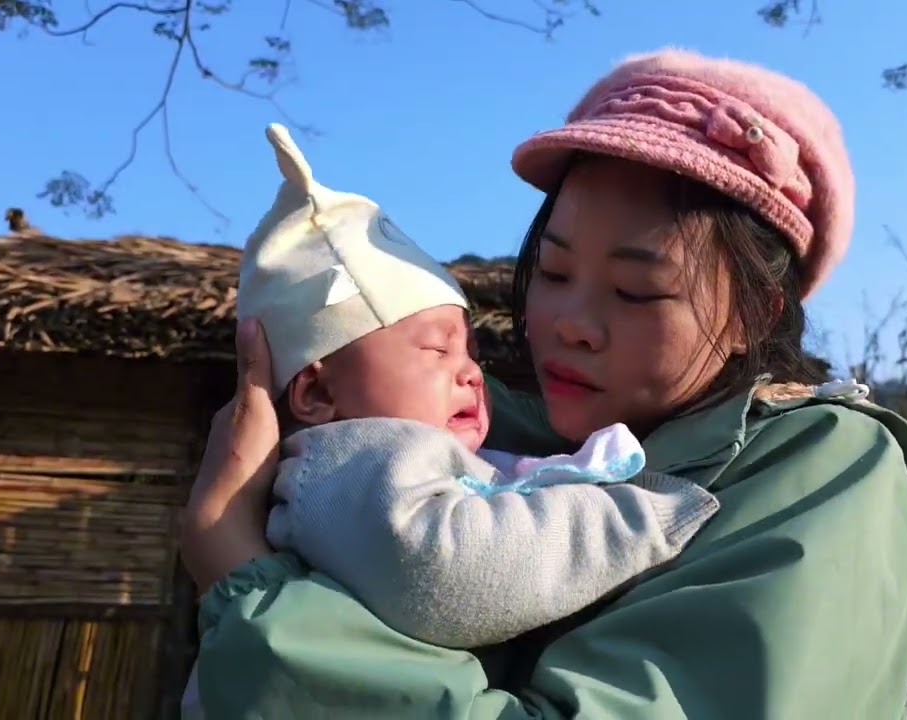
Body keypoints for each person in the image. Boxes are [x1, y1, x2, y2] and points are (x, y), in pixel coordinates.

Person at [181, 48, 907, 717]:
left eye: (636, 289)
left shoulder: (826, 476)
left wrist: (242, 583)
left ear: (758, 312)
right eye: (552, 270)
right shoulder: (478, 433)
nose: (568, 321)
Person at [233, 122, 721, 649]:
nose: (470, 373)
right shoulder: (348, 464)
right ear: (318, 394)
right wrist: (638, 515)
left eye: (472, 351)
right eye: (437, 350)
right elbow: (443, 568)